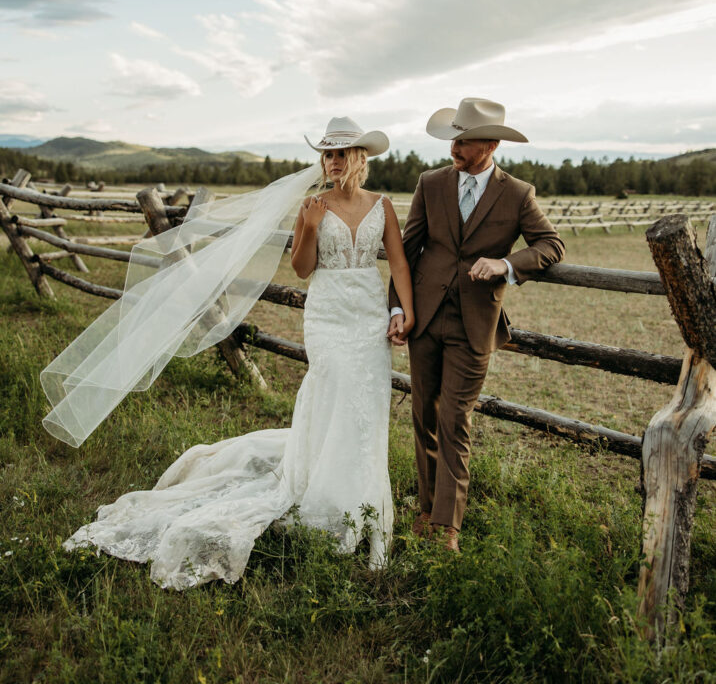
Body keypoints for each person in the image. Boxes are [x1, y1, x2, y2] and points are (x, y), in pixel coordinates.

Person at [53, 117, 414, 589]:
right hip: (328, 318)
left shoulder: (382, 207)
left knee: (366, 402)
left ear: (359, 158)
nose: (332, 161)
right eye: (327, 153)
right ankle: (324, 494)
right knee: (333, 393)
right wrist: (308, 226)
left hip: (368, 317)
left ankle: (365, 502)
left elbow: (400, 261)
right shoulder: (312, 205)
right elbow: (303, 269)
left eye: (340, 153)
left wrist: (403, 311)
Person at [388, 98, 564, 552]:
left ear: (491, 144)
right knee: (422, 414)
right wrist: (396, 310)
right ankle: (425, 511)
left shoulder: (518, 193)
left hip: (476, 324)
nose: (455, 146)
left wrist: (505, 263)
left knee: (454, 419)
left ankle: (447, 526)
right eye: (454, 137)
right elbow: (407, 252)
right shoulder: (430, 183)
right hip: (423, 318)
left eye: (464, 140)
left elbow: (550, 244)